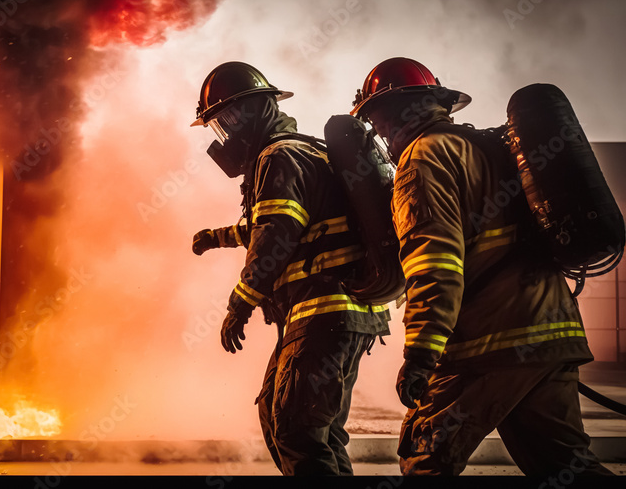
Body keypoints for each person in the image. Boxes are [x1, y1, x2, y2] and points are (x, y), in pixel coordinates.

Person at [350, 57, 612, 476]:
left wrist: (421, 352)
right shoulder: (488, 145)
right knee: (565, 467)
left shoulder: (423, 161)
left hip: (491, 343)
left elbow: (434, 264)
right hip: (552, 333)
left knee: (425, 459)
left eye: (378, 123)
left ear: (394, 113)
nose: (380, 134)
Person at [191, 62, 390, 475]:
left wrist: (239, 304)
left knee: (299, 431)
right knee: (294, 419)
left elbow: (277, 233)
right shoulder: (307, 151)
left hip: (322, 309)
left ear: (251, 110)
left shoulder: (278, 156)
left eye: (226, 119)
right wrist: (217, 236)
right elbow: (288, 224)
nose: (225, 134)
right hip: (344, 311)